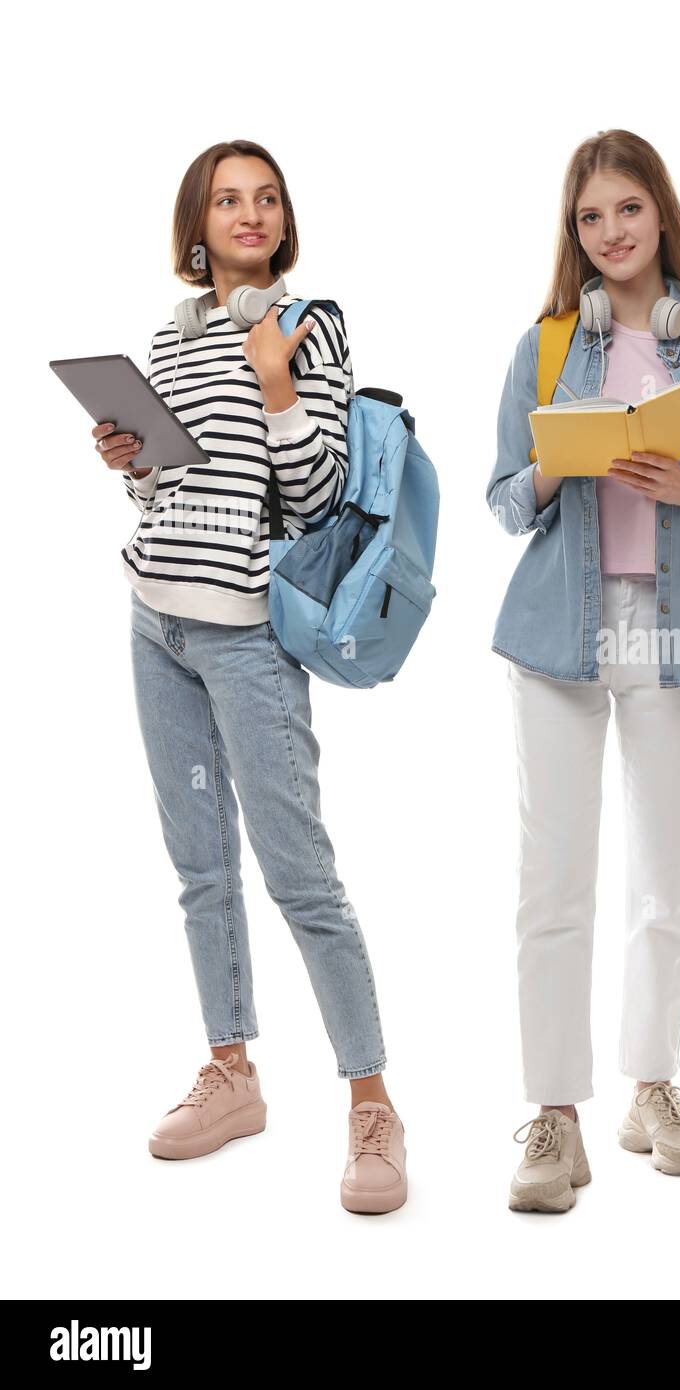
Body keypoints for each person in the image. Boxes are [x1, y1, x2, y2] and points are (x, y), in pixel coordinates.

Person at [94, 139, 408, 1213]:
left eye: (265, 198)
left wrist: (277, 380)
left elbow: (317, 494)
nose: (249, 212)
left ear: (283, 220)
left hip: (245, 636)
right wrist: (133, 464)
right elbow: (167, 497)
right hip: (155, 624)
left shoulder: (310, 326)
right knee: (199, 866)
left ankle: (372, 1101)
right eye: (228, 198)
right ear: (198, 221)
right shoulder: (168, 339)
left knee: (300, 876)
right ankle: (231, 1072)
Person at [487, 129, 680, 1212]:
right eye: (588, 217)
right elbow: (501, 496)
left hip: (677, 630)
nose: (609, 233)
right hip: (556, 636)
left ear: (661, 213)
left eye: (626, 210)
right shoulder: (548, 341)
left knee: (665, 884)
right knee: (551, 887)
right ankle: (554, 1116)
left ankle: (651, 1086)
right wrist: (553, 464)